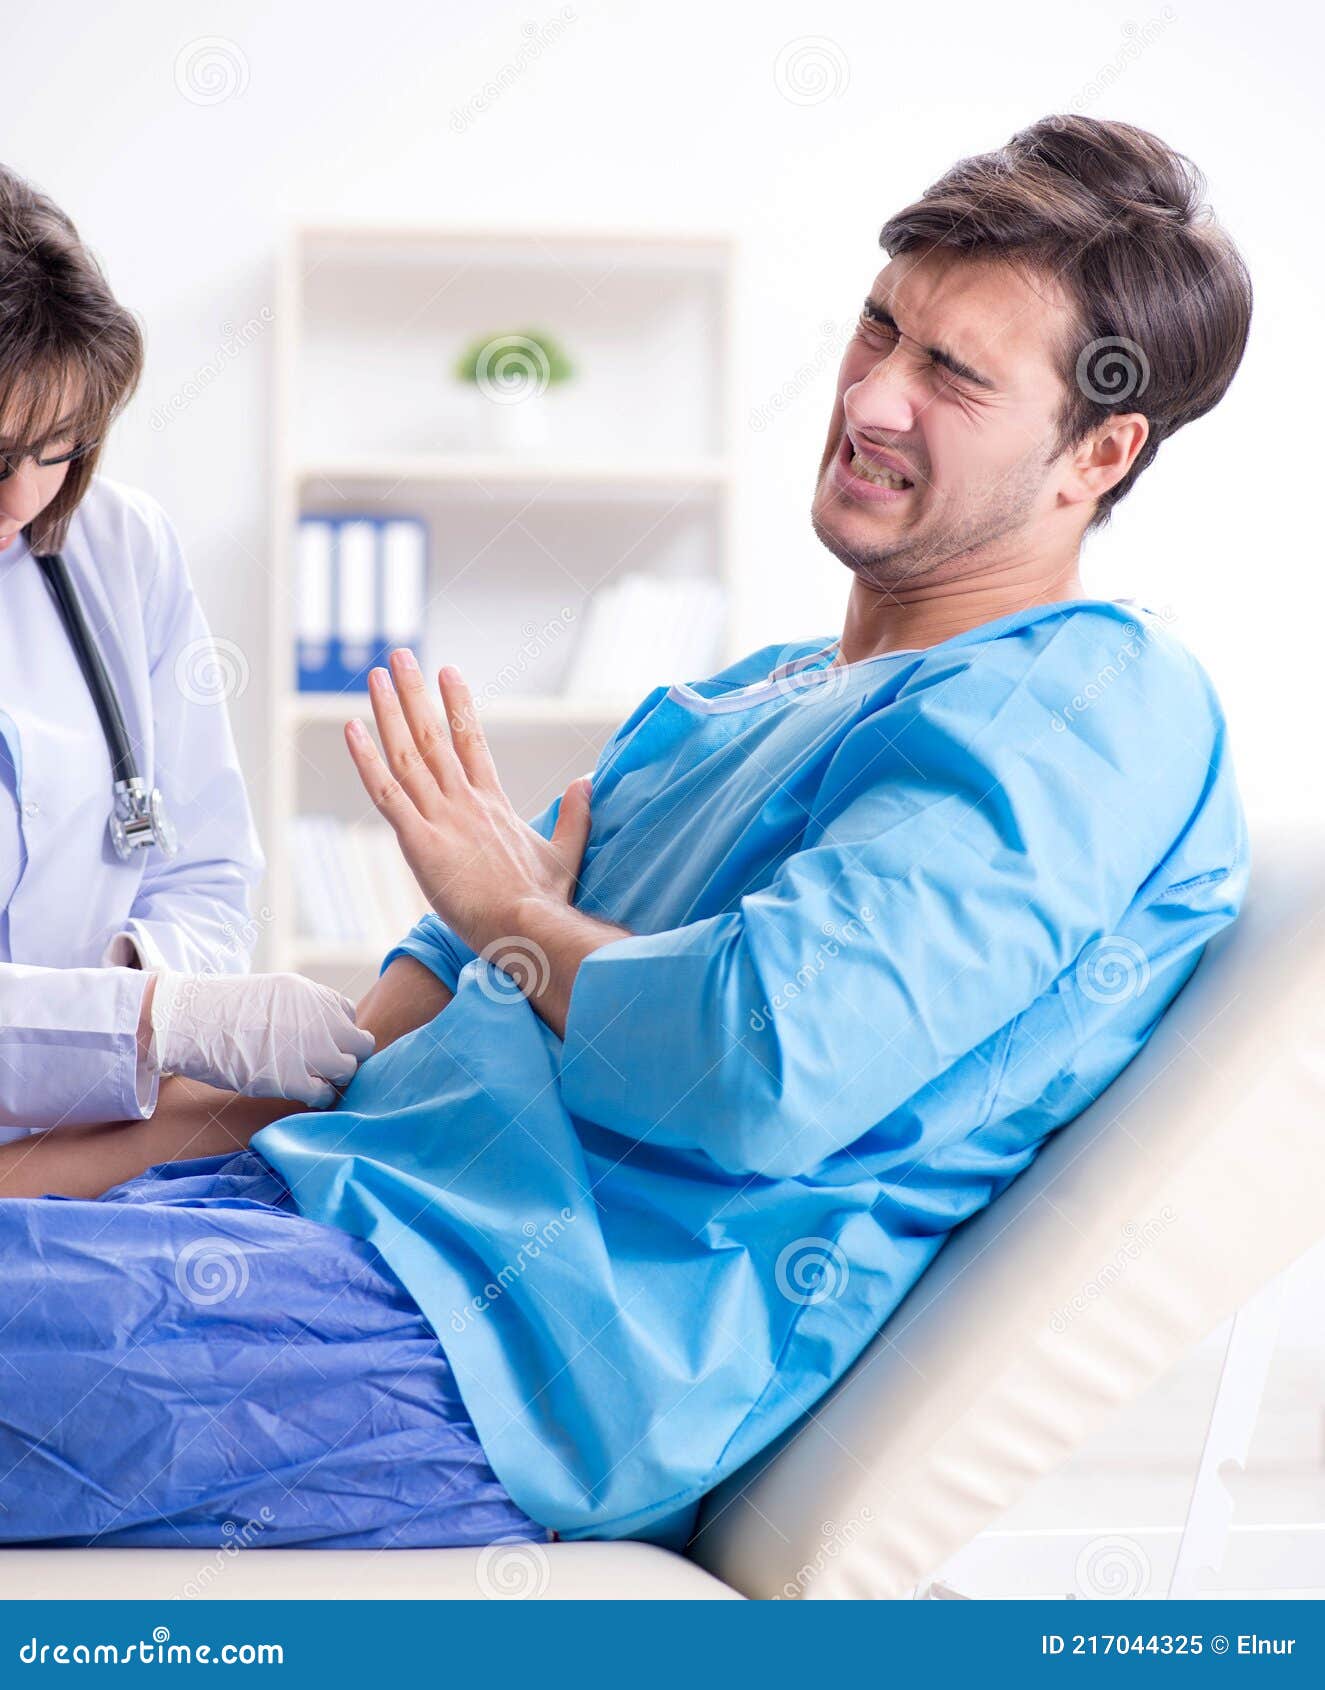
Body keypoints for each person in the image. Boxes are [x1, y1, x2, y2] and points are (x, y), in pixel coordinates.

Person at [0, 116, 1253, 1554]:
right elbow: (363, 1055)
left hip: (466, 1346)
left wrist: (513, 920)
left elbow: (763, 1060)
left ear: (1097, 450)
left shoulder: (1087, 704)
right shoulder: (737, 698)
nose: (872, 397)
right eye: (878, 326)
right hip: (298, 1218)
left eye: (953, 375)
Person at [0, 163, 373, 1146]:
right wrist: (160, 1019)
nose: (25, 500)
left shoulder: (122, 549)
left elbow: (205, 876)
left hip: (90, 1142)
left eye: (62, 448)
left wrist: (135, 1002)